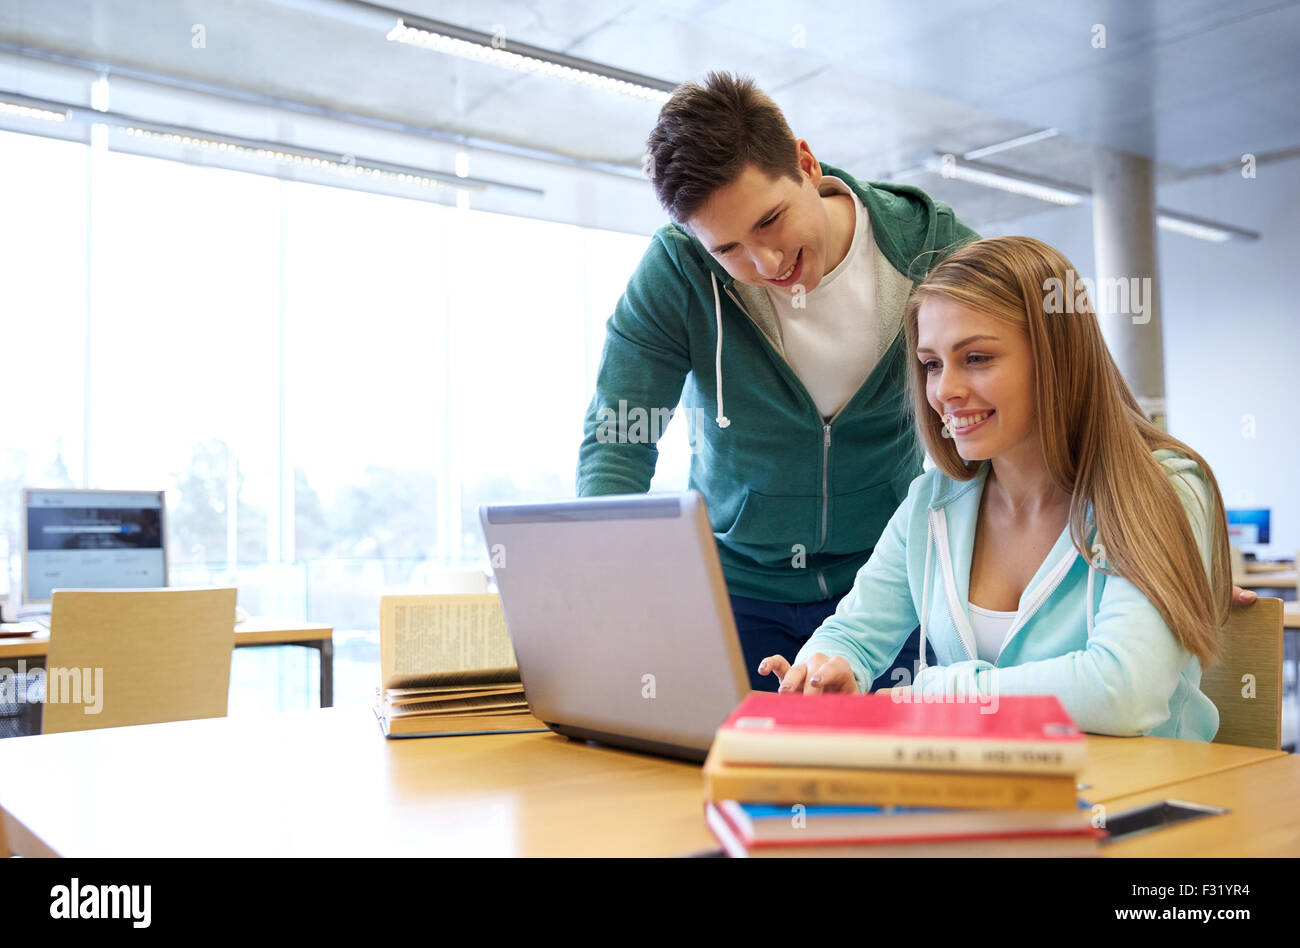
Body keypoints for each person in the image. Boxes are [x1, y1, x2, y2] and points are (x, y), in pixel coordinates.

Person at [576, 72, 977, 690]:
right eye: (729, 247)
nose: (765, 264)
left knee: (882, 779)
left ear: (806, 164)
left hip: (887, 593)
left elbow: (1030, 389)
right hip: (736, 595)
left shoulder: (931, 250)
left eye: (770, 220)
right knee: (731, 776)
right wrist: (606, 592)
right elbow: (618, 441)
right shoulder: (678, 273)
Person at [759, 236, 1236, 739]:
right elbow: (850, 635)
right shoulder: (933, 502)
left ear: (1056, 358)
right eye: (932, 364)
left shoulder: (1164, 488)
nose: (944, 390)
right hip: (985, 798)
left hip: (1139, 804)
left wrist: (934, 692)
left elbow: (1122, 691)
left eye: (978, 358)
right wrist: (821, 670)